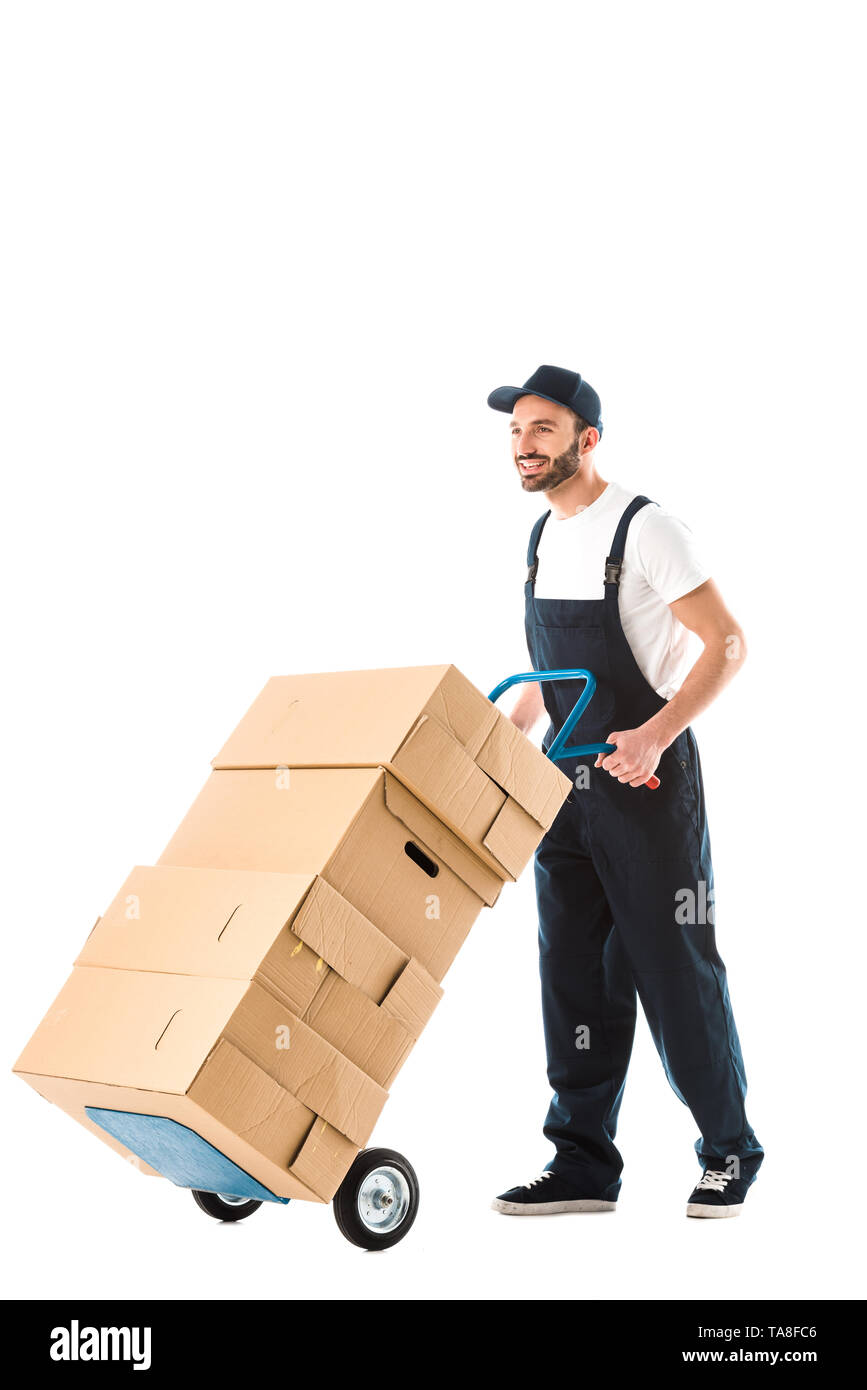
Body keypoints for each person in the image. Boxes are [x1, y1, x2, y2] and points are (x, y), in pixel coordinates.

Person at [488, 364, 763, 1219]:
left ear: (587, 439)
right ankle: (581, 1163)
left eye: (540, 429)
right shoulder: (539, 537)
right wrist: (505, 742)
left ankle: (728, 1151)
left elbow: (725, 644)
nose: (523, 445)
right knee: (571, 976)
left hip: (645, 785)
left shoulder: (647, 529)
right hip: (562, 795)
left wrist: (655, 733)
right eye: (514, 432)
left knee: (673, 968)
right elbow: (546, 675)